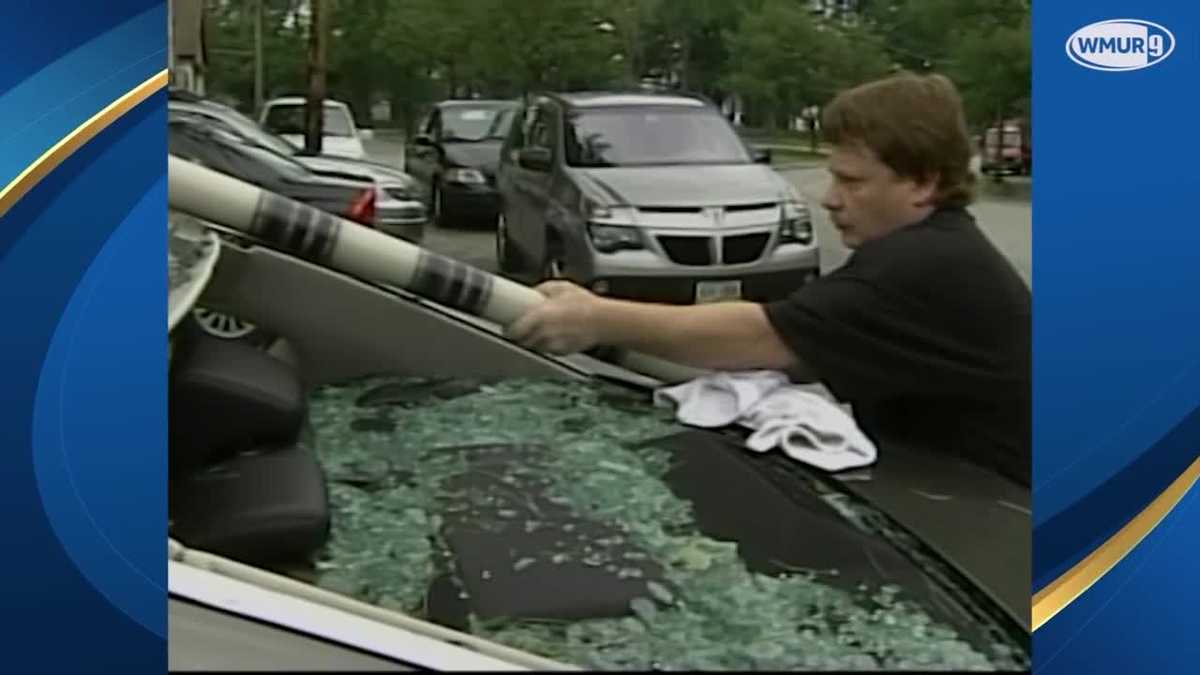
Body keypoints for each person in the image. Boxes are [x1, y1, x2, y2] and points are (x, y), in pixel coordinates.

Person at [505, 73, 1031, 486]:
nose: (829, 199)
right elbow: (801, 353)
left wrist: (596, 318)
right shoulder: (934, 248)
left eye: (852, 182)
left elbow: (763, 335)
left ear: (923, 183)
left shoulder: (926, 264)